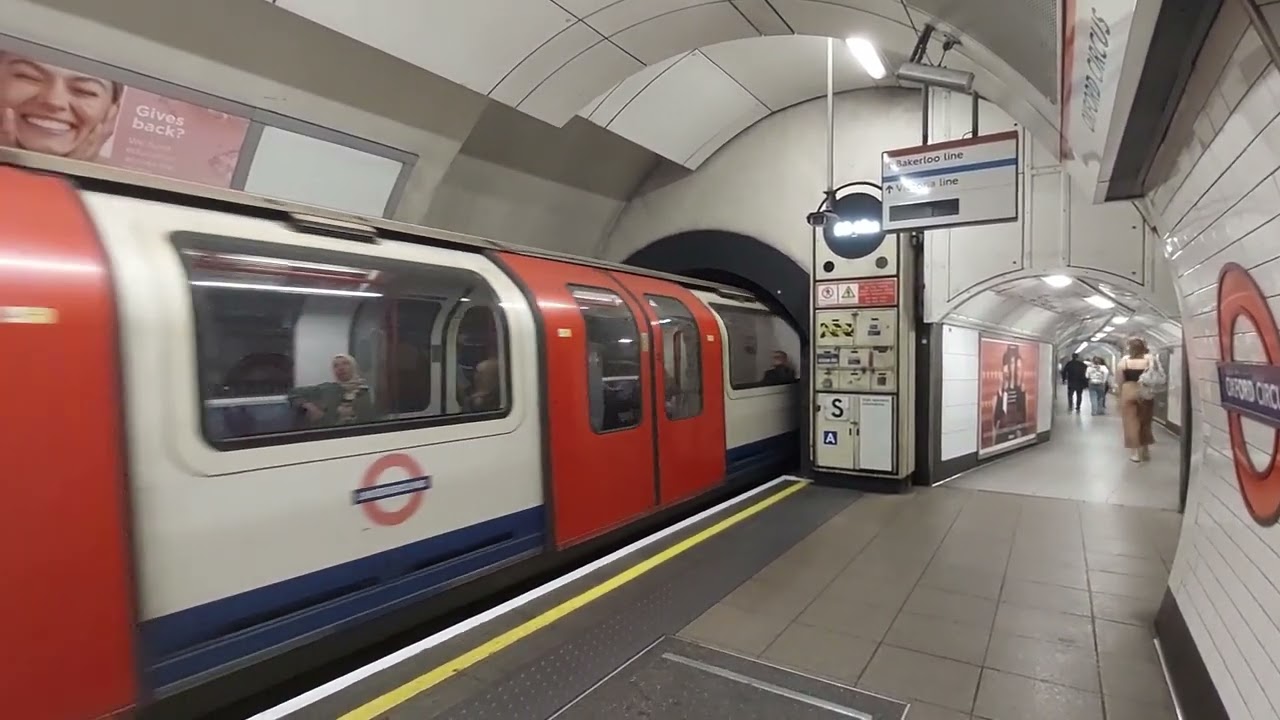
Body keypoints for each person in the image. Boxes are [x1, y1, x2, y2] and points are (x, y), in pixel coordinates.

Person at [0, 51, 122, 160]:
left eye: (84, 90)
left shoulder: (125, 178)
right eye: (29, 77)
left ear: (111, 114)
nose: (54, 101)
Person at [289, 353, 375, 428]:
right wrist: (309, 406)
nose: (341, 368)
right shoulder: (327, 388)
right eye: (336, 366)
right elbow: (293, 393)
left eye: (345, 363)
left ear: (353, 367)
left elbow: (368, 420)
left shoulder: (365, 391)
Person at [1116, 338, 1156, 462]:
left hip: (1128, 391)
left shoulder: (1124, 361)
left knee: (1130, 423)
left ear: (1130, 349)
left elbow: (1120, 380)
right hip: (1145, 392)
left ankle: (1135, 454)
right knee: (1145, 422)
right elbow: (1154, 375)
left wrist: (1120, 395)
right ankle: (1145, 451)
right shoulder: (1149, 360)